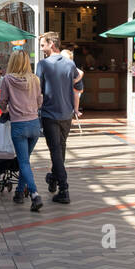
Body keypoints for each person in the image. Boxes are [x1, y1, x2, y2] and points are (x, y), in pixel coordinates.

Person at [36, 31, 84, 205]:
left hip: (49, 113)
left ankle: (63, 188)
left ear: (52, 44)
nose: (41, 48)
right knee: (60, 148)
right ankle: (54, 178)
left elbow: (38, 91)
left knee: (55, 149)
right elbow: (78, 85)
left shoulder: (42, 65)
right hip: (66, 114)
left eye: (43, 45)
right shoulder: (70, 64)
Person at [0, 51, 45, 212]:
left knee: (24, 162)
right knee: (24, 161)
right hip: (34, 124)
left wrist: (5, 110)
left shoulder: (7, 80)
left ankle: (34, 194)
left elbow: (2, 102)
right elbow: (40, 101)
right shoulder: (35, 79)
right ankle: (19, 192)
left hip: (18, 125)